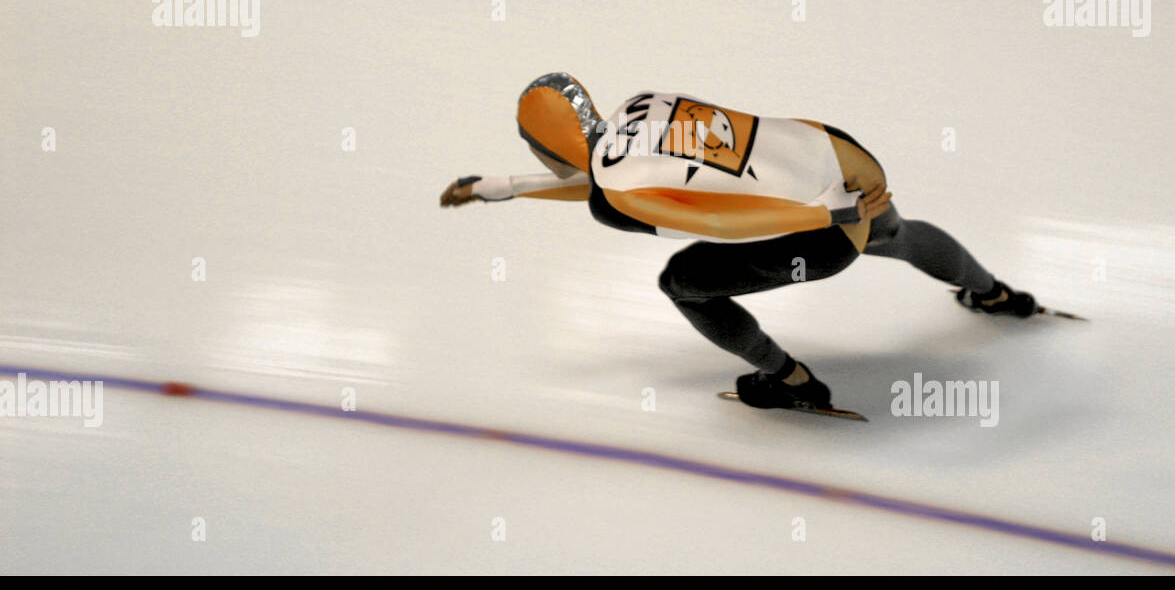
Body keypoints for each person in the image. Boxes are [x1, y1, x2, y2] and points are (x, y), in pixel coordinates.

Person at [441, 72, 1036, 411]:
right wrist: (503, 187)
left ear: (546, 145)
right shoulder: (636, 106)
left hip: (825, 217)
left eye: (529, 150)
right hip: (837, 150)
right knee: (895, 234)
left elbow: (725, 226)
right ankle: (995, 295)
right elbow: (605, 176)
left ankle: (790, 380)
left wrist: (827, 214)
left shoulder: (618, 189)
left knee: (683, 285)